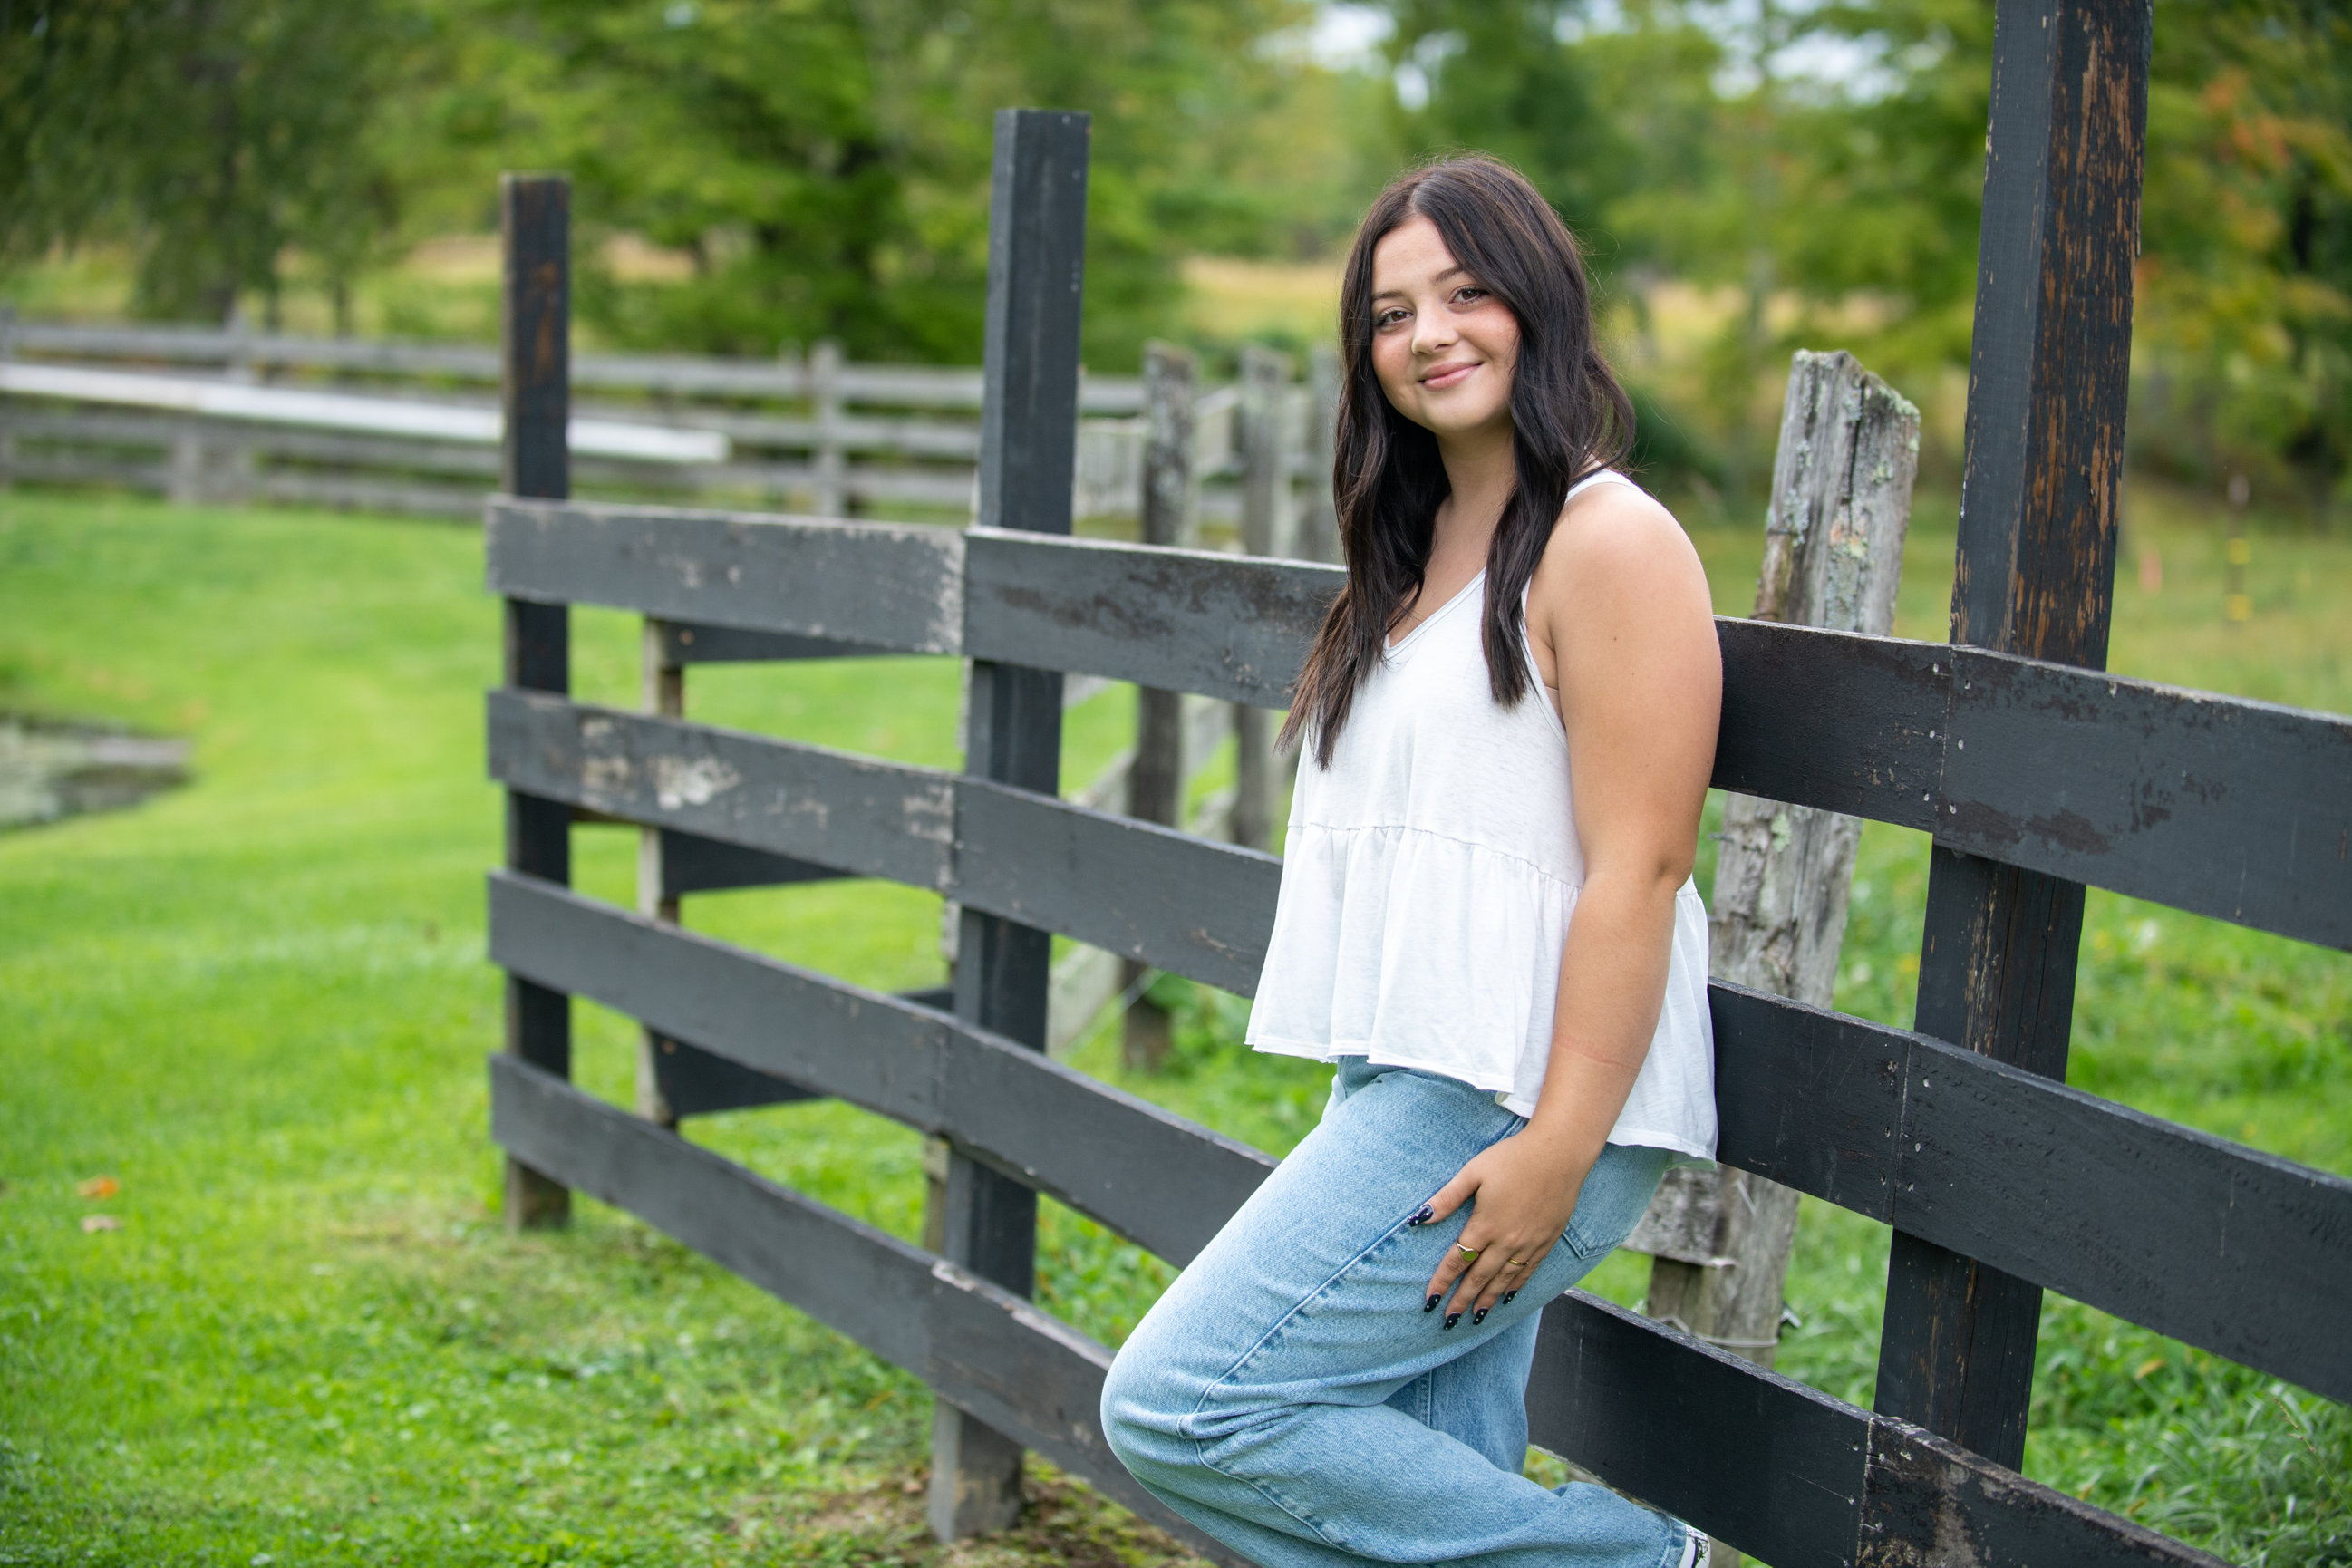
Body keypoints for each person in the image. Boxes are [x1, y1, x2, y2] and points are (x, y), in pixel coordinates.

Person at [1099, 154, 1722, 1568]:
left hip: (1517, 1094)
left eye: (1465, 292)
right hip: (1405, 1075)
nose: (1428, 333)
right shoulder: (1415, 544)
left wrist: (1558, 1142)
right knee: (1436, 1483)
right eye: (1390, 314)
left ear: (1539, 302)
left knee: (1184, 1404)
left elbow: (1643, 866)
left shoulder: (1610, 539)